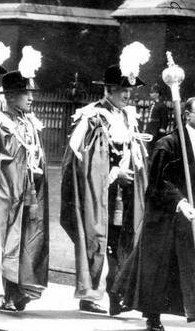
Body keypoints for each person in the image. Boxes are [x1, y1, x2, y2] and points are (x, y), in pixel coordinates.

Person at [120, 96, 195, 331]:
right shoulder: (168, 144)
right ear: (187, 115)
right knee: (164, 265)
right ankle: (153, 314)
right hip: (170, 217)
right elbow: (158, 182)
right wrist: (180, 201)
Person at [61, 44, 151, 315]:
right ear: (108, 90)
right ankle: (91, 296)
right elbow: (84, 161)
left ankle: (118, 295)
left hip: (124, 193)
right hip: (100, 192)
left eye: (129, 90)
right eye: (122, 90)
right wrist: (114, 174)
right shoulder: (93, 117)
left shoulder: (127, 116)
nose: (127, 94)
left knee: (122, 241)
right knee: (98, 239)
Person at [0, 48, 49, 311]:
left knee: (25, 239)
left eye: (31, 93)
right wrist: (9, 193)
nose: (31, 98)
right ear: (12, 96)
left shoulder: (29, 123)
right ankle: (0, 290)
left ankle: (18, 289)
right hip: (3, 194)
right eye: (26, 93)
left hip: (26, 192)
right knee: (0, 239)